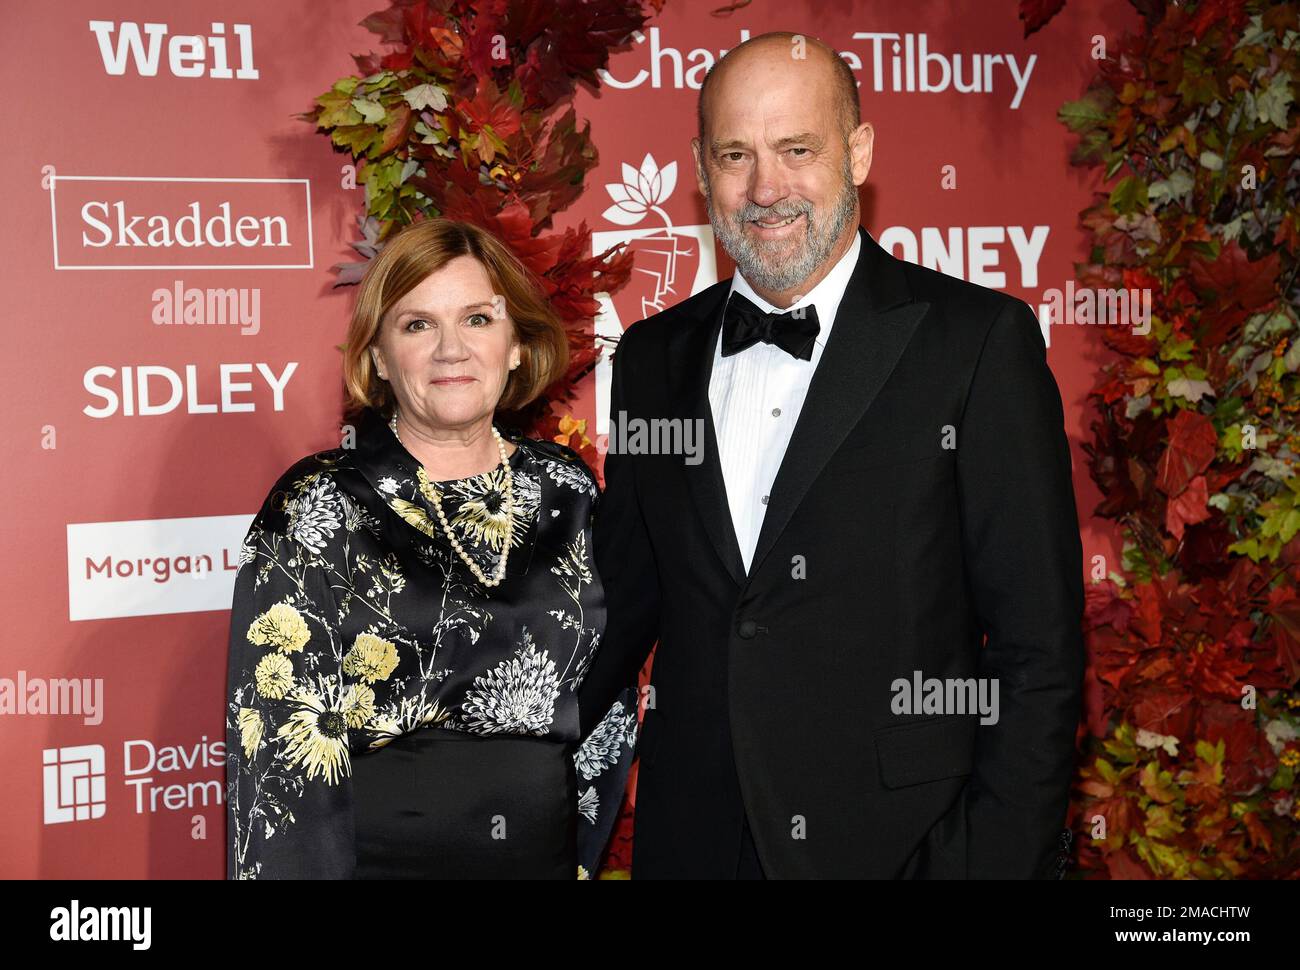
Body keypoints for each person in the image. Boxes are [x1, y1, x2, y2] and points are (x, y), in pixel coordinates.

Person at [579, 31, 1085, 878]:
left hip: (901, 846)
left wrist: (986, 863)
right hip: (696, 844)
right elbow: (620, 610)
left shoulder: (975, 344)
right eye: (735, 154)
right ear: (700, 171)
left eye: (796, 149)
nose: (765, 188)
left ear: (858, 152)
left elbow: (1040, 650)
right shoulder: (650, 358)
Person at [226, 218, 636, 879]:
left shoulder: (568, 490)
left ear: (516, 345)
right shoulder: (319, 505)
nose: (452, 350)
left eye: (477, 319)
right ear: (381, 358)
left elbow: (605, 707)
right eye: (418, 325)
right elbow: (277, 761)